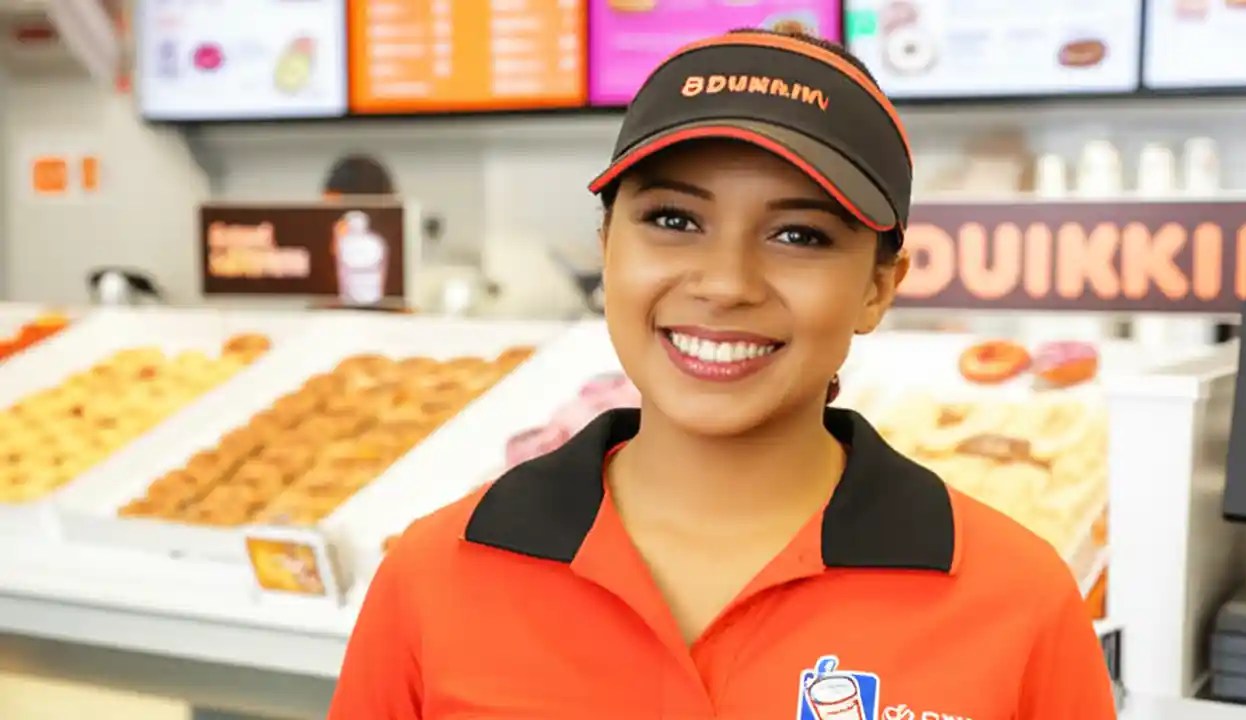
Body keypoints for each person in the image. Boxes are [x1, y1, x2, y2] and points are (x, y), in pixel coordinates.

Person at [329, 29, 1116, 720]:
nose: (725, 281)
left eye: (799, 235)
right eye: (674, 221)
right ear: (608, 246)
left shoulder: (1017, 602)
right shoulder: (437, 579)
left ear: (879, 286)